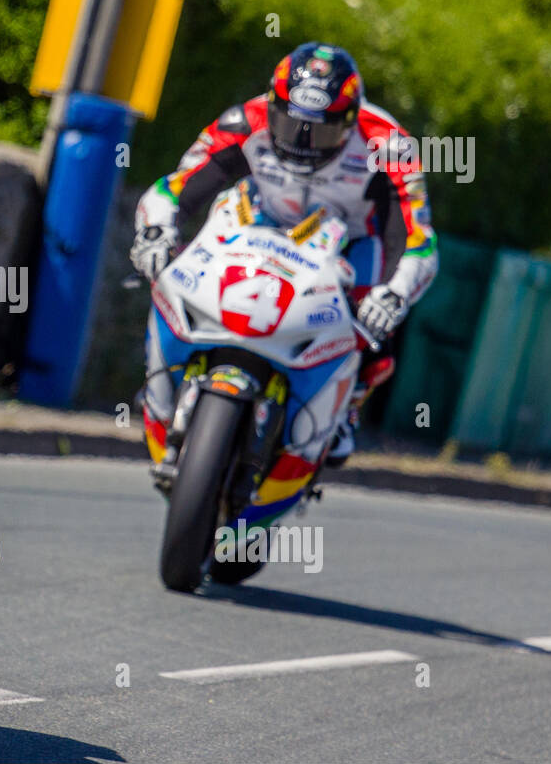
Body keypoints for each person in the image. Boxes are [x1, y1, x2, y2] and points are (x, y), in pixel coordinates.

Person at [130, 41, 438, 463]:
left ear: (350, 123)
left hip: (347, 243)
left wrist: (394, 292)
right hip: (257, 222)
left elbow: (418, 238)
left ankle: (347, 402)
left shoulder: (389, 146)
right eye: (291, 125)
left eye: (322, 131)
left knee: (376, 317)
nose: (303, 143)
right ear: (273, 106)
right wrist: (156, 229)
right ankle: (164, 376)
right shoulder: (245, 120)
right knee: (175, 266)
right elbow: (176, 187)